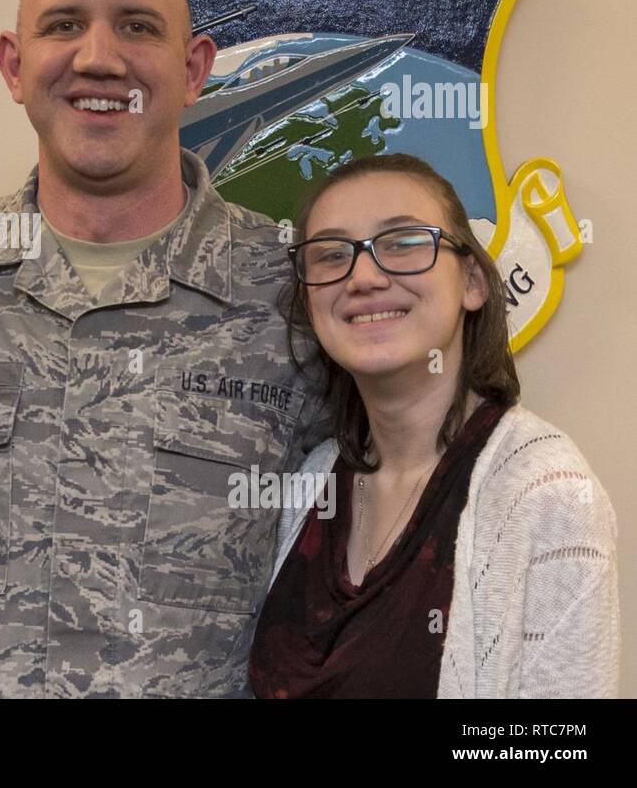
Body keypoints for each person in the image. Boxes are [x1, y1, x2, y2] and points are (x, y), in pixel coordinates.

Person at [0, 0, 327, 697]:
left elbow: (403, 515)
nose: (99, 56)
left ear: (194, 69)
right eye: (63, 24)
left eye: (138, 26)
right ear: (15, 65)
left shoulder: (290, 292)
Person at [249, 153, 619, 698]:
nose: (364, 276)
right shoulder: (312, 480)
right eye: (331, 255)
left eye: (402, 243)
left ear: (473, 281)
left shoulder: (549, 492)